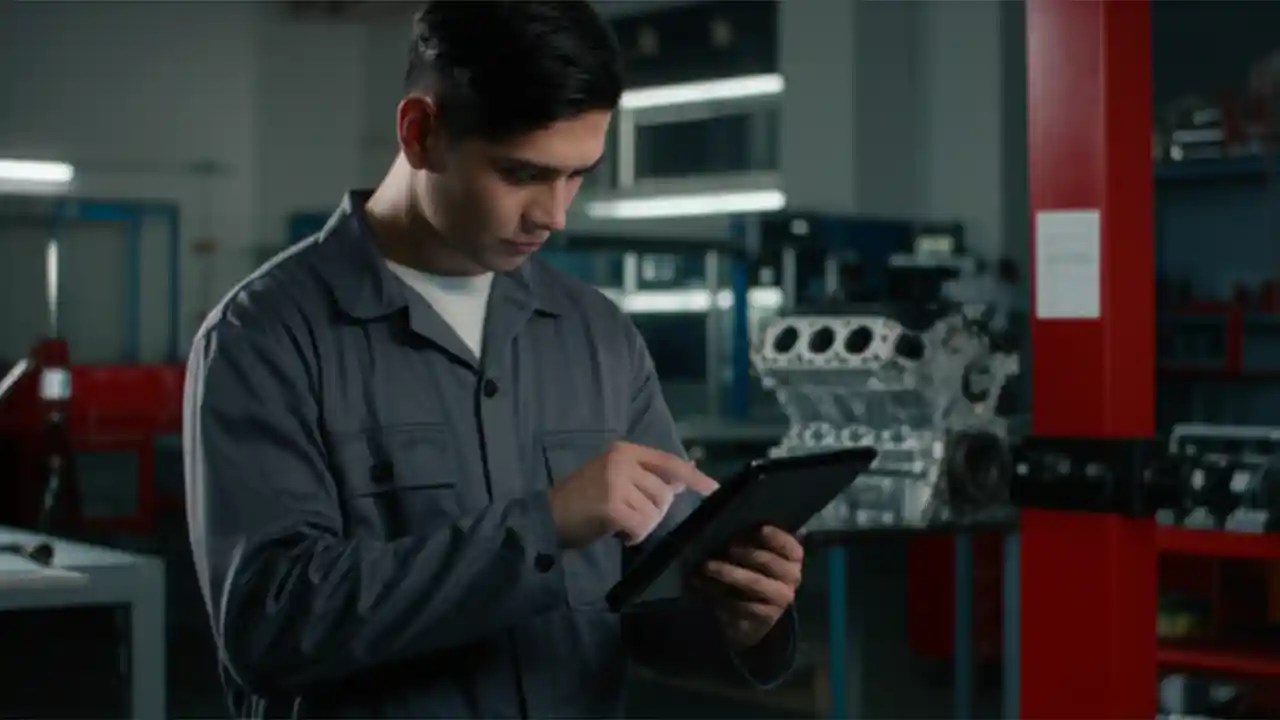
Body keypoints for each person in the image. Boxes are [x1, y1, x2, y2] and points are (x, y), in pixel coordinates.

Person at [183, 2, 803, 718]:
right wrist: (545, 527)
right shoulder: (266, 336)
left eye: (577, 176)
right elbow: (270, 628)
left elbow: (649, 606)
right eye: (521, 173)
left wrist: (740, 617)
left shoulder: (596, 335)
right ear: (420, 133)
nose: (554, 214)